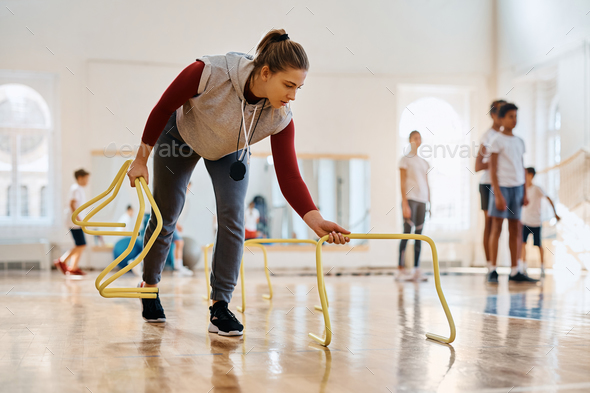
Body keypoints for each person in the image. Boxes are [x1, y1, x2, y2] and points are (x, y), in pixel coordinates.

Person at [127, 29, 350, 335]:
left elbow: (289, 174)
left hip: (230, 150)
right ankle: (149, 285)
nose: (292, 95)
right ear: (266, 72)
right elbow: (163, 107)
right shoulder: (208, 72)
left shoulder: (280, 115)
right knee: (167, 214)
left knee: (233, 217)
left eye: (299, 87)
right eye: (288, 85)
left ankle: (220, 306)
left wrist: (315, 219)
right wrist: (140, 160)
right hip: (180, 137)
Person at [488, 103, 538, 283]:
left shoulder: (519, 141)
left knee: (516, 229)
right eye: (510, 116)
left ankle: (515, 270)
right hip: (502, 188)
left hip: (517, 188)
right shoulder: (496, 141)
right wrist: (498, 194)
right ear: (501, 118)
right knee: (497, 228)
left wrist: (524, 192)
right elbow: (492, 170)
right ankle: (492, 270)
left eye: (516, 116)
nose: (514, 120)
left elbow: (522, 168)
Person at [475, 100, 506, 272]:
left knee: (500, 226)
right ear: (494, 115)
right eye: (501, 112)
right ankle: (490, 267)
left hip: (504, 185)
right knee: (489, 224)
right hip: (488, 184)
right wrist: (497, 161)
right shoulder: (487, 137)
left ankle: (506, 266)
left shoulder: (508, 136)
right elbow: (478, 165)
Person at [398, 130, 430, 282]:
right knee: (406, 234)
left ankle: (416, 269)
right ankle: (401, 269)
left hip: (422, 201)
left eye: (419, 138)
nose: (418, 140)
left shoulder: (424, 162)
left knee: (419, 236)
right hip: (410, 200)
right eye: (415, 138)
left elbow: (427, 183)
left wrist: (429, 203)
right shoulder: (405, 160)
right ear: (409, 140)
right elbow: (402, 182)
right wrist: (404, 203)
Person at [521, 167, 560, 277]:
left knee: (539, 245)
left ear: (530, 175)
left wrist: (555, 213)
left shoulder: (537, 189)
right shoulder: (522, 189)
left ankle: (542, 267)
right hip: (525, 221)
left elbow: (549, 199)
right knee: (523, 244)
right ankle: (523, 266)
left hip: (536, 222)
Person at [54, 169, 90, 277]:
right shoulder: (76, 189)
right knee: (81, 244)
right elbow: (72, 204)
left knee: (80, 245)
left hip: (75, 221)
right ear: (80, 177)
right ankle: (62, 260)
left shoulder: (79, 189)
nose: (87, 181)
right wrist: (78, 219)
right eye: (86, 179)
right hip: (73, 221)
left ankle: (73, 267)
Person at [172, 182, 194, 276]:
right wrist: (176, 224)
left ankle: (177, 267)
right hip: (171, 223)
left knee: (177, 243)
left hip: (173, 224)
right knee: (179, 242)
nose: (188, 190)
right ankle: (178, 267)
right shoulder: (178, 197)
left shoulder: (184, 198)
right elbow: (172, 212)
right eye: (188, 187)